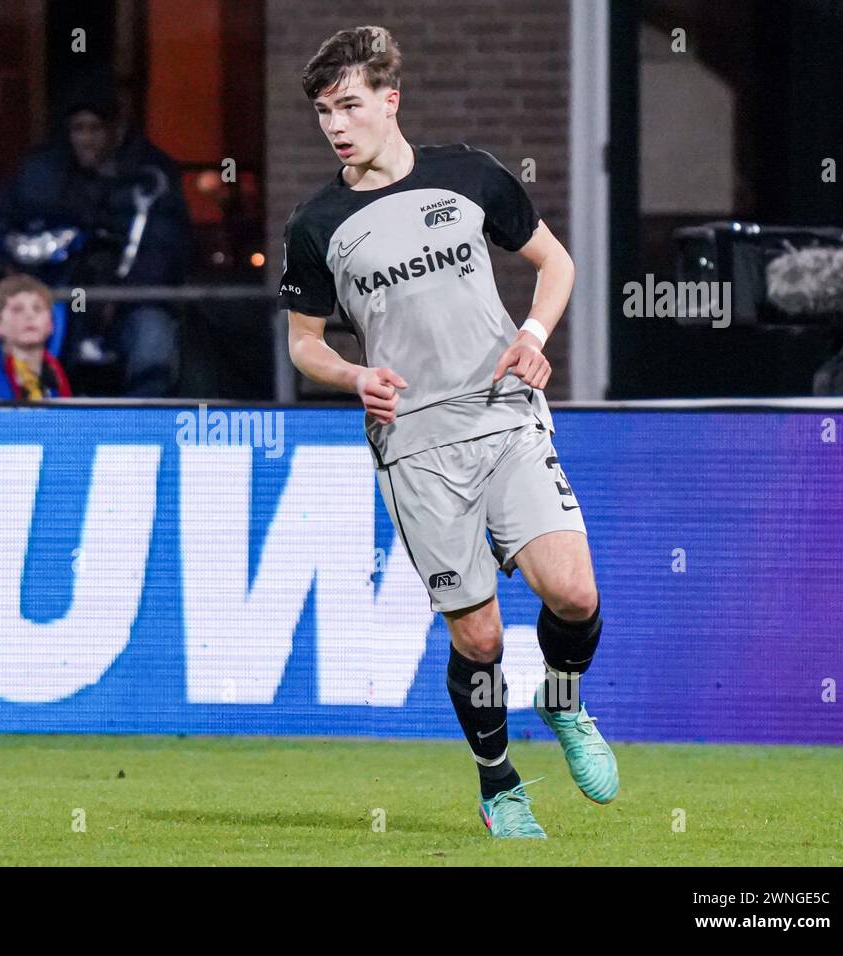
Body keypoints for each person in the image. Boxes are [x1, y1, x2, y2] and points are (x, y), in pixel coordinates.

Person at [281, 26, 616, 839]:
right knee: (482, 634)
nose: (336, 124)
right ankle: (499, 783)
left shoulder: (469, 175)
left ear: (389, 102)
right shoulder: (319, 225)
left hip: (504, 415)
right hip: (417, 448)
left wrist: (532, 339)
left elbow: (558, 265)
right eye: (325, 111)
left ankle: (564, 702)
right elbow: (303, 344)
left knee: (574, 594)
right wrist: (356, 376)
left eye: (350, 105)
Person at [0, 95, 190, 397]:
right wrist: (10, 273)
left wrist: (118, 296)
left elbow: (165, 248)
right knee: (10, 319)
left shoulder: (152, 174)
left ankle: (142, 430)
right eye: (78, 129)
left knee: (152, 341)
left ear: (116, 130)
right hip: (54, 294)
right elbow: (0, 227)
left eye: (96, 129)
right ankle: (16, 419)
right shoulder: (42, 170)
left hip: (130, 301)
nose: (86, 139)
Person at [0, 274, 72, 399]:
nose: (30, 316)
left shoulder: (57, 379)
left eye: (37, 308)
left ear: (50, 325)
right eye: (17, 309)